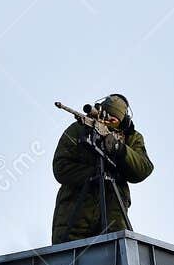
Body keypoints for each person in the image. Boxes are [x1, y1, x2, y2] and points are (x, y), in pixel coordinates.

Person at [50, 93, 153, 244]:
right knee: (67, 261)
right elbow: (61, 168)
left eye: (113, 120)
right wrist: (94, 173)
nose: (107, 122)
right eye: (105, 116)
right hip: (74, 216)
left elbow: (143, 169)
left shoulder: (132, 138)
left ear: (123, 122)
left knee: (117, 260)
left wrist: (120, 149)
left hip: (113, 215)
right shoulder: (79, 129)